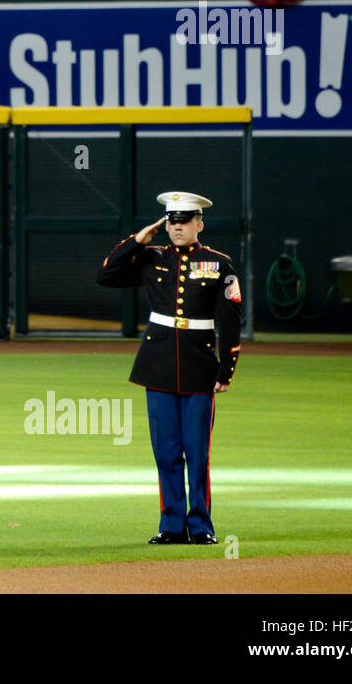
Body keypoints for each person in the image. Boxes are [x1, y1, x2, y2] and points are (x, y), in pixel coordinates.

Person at [96, 191, 243, 546]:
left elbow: (231, 320)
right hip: (158, 364)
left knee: (197, 453)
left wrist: (226, 370)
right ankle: (171, 526)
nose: (177, 229)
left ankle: (202, 526)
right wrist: (137, 240)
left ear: (199, 224)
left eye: (184, 222)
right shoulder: (151, 258)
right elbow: (107, 275)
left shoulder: (219, 263)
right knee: (165, 452)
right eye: (171, 223)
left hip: (199, 365)